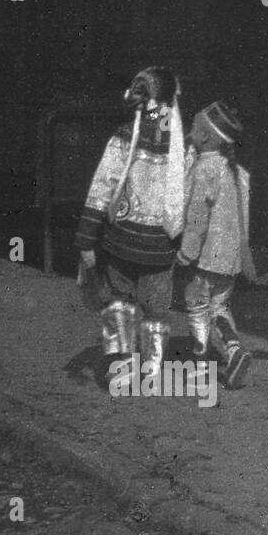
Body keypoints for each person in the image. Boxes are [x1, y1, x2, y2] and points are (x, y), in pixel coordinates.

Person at [77, 66, 186, 391]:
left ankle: (120, 368)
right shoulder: (185, 145)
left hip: (120, 241)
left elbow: (102, 187)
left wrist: (86, 238)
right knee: (156, 310)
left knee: (120, 301)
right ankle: (152, 371)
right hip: (161, 248)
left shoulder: (124, 136)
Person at [176, 100, 254, 389]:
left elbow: (196, 216)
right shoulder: (237, 171)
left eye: (194, 128)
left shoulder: (204, 170)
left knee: (197, 305)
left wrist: (187, 251)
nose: (189, 132)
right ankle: (234, 351)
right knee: (219, 306)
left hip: (207, 254)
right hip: (230, 257)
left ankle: (201, 365)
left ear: (206, 137)